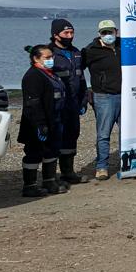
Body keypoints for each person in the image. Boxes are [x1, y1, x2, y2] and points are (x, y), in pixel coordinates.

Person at [18, 45, 67, 196]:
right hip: (36, 123)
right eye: (47, 58)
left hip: (54, 120)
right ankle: (30, 186)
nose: (51, 60)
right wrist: (40, 125)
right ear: (36, 59)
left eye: (51, 57)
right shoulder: (33, 76)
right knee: (34, 153)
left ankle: (49, 181)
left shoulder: (51, 74)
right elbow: (33, 103)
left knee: (52, 151)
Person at [49, 18, 89, 187]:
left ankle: (68, 173)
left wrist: (84, 99)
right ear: (55, 34)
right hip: (56, 106)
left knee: (71, 137)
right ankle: (50, 177)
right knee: (54, 140)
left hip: (73, 104)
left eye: (72, 32)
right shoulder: (49, 53)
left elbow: (81, 78)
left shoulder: (76, 52)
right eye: (66, 33)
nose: (69, 35)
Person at [82, 19, 121, 181]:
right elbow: (76, 70)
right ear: (99, 34)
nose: (107, 35)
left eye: (110, 32)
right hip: (103, 97)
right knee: (104, 134)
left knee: (126, 133)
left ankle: (126, 162)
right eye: (104, 32)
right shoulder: (90, 50)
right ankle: (102, 167)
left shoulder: (123, 46)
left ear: (116, 32)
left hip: (126, 95)